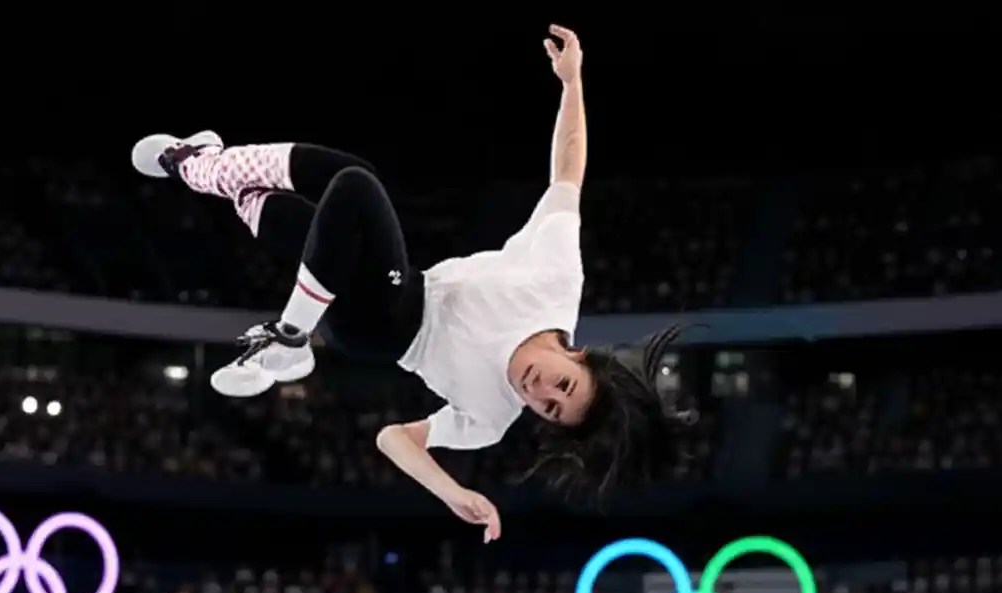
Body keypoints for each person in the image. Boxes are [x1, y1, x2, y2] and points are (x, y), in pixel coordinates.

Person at [130, 25, 694, 543]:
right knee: (272, 207)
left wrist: (455, 493)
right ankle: (194, 162)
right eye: (563, 387)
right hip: (401, 282)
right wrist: (572, 82)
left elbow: (394, 437)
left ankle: (288, 337)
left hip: (385, 327)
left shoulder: (491, 418)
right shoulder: (555, 279)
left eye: (549, 409)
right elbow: (569, 171)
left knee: (355, 184)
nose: (539, 392)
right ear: (580, 356)